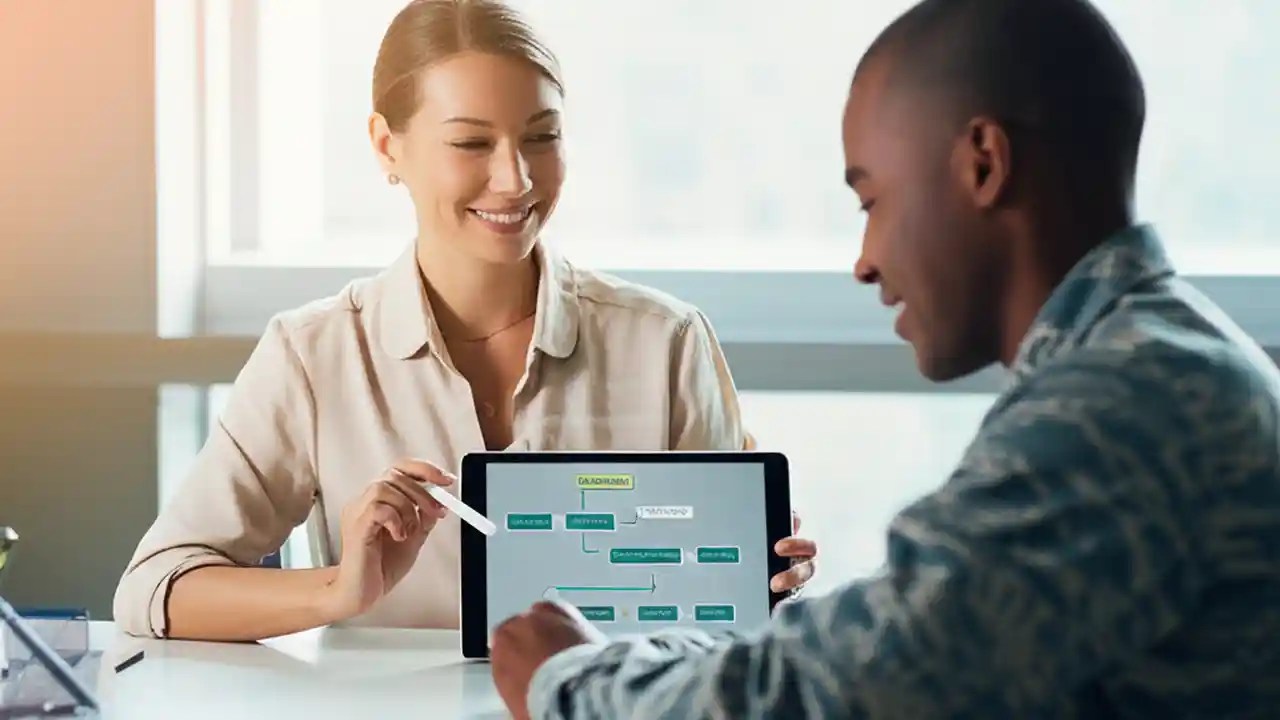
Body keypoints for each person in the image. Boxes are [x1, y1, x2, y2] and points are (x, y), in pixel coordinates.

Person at [488, 0, 1280, 717]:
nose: (864, 261)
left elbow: (851, 696)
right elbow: (902, 632)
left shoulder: (1119, 406)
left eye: (873, 201)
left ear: (983, 164)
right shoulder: (1157, 360)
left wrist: (573, 684)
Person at [112, 0, 818, 642]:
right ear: (388, 147)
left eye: (541, 137)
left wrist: (753, 579)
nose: (516, 179)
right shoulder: (314, 353)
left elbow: (720, 615)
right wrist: (337, 590)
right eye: (472, 144)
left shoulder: (666, 341)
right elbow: (154, 588)